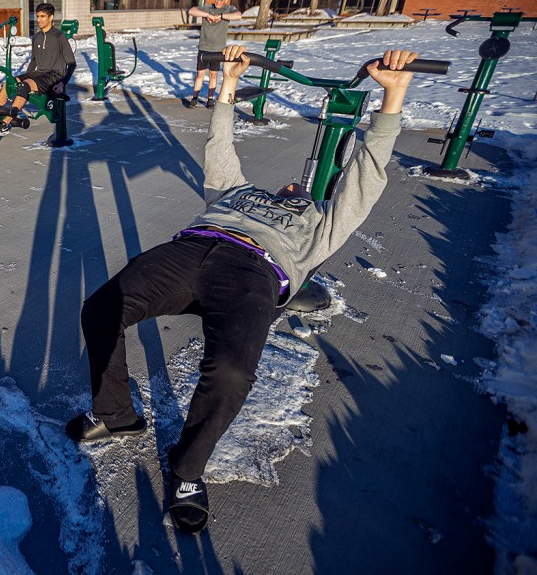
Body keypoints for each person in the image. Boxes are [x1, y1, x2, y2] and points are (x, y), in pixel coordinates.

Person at [66, 45, 421, 535]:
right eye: (290, 187)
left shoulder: (321, 222)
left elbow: (365, 178)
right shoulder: (237, 192)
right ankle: (117, 414)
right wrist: (228, 84)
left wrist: (393, 99)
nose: (295, 188)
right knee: (102, 307)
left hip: (256, 272)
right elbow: (220, 150)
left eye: (305, 191)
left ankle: (187, 470)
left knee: (232, 371)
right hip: (193, 249)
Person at [0, 2, 76, 136]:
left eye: (42, 16)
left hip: (53, 76)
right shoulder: (37, 37)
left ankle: (5, 125)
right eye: (37, 16)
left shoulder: (59, 36)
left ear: (51, 18)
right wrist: (26, 76)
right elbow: (33, 61)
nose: (38, 20)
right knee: (8, 83)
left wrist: (62, 83)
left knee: (24, 86)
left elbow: (72, 63)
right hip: (39, 73)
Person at [187, 0, 241, 108]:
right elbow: (191, 11)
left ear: (227, 0)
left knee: (213, 75)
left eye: (221, 0)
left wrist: (221, 16)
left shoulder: (228, 9)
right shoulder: (207, 7)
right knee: (200, 74)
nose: (218, 2)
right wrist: (207, 15)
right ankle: (194, 98)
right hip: (204, 47)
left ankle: (210, 99)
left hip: (218, 49)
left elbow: (238, 16)